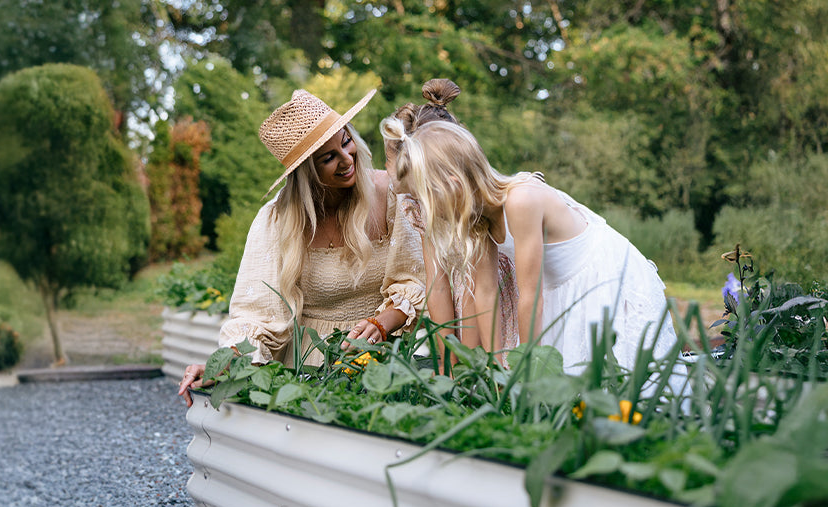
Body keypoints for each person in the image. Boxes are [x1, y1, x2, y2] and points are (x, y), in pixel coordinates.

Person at [178, 89, 426, 405]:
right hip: (305, 372)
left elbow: (415, 279)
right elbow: (257, 316)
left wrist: (380, 324)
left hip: (383, 361)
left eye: (346, 142)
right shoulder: (277, 220)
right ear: (306, 172)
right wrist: (222, 365)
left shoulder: (389, 194)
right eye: (328, 158)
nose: (347, 159)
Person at [380, 115, 678, 372]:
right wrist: (496, 367)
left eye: (425, 198)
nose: (424, 208)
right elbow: (486, 293)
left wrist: (525, 369)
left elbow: (530, 297)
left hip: (602, 279)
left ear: (452, 186)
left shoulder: (520, 200)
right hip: (559, 288)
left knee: (622, 380)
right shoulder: (479, 219)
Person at [383, 79, 520, 357]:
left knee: (483, 360)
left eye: (388, 158)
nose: (384, 167)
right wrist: (447, 361)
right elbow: (436, 285)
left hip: (487, 297)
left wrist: (465, 363)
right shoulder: (416, 204)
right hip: (463, 287)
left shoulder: (464, 202)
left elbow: (479, 290)